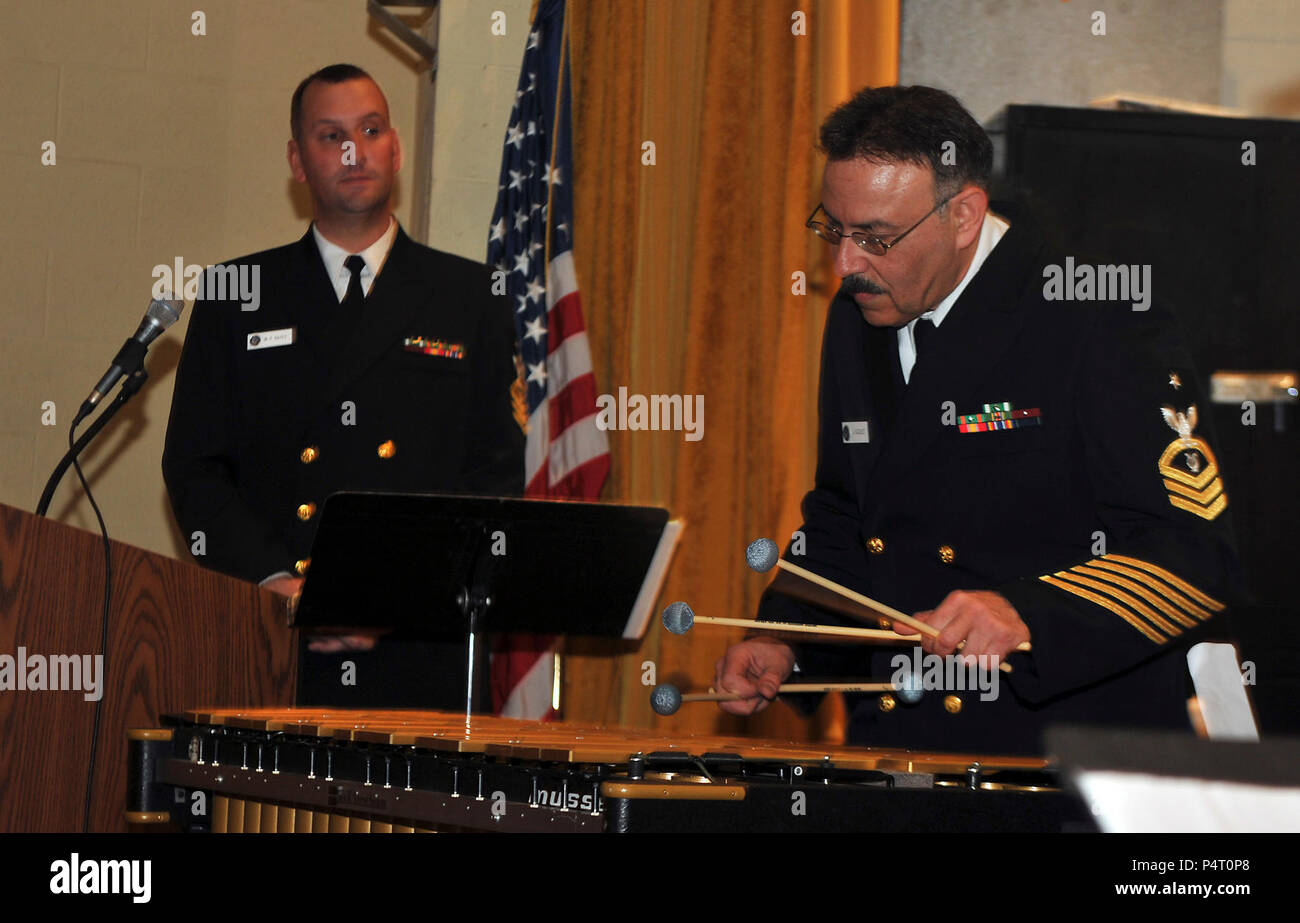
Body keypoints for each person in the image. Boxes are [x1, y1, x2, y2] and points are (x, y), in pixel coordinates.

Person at [714, 85, 1241, 755]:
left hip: (1060, 756)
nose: (846, 264)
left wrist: (1026, 612)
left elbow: (1195, 556)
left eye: (875, 238)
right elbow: (848, 515)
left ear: (963, 215)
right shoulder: (858, 317)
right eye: (833, 229)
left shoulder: (1095, 313)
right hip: (903, 744)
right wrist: (787, 635)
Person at [162, 63, 524, 706]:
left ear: (397, 148)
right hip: (269, 637)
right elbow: (194, 467)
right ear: (297, 161)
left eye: (371, 128)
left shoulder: (471, 297)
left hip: (420, 646)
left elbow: (494, 480)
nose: (354, 151)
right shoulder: (235, 293)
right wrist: (272, 578)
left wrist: (392, 595)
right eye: (330, 136)